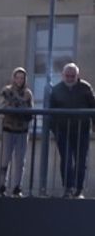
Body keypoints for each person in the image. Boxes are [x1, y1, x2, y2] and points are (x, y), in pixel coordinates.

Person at [48, 61, 95, 197]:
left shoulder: (85, 88)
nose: (69, 78)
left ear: (77, 75)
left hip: (82, 130)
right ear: (62, 75)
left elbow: (93, 107)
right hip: (63, 131)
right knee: (67, 159)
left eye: (72, 76)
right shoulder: (56, 90)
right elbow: (50, 112)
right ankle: (68, 187)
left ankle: (78, 189)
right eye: (67, 76)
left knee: (81, 161)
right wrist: (54, 129)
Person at [0, 67, 34, 196]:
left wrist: (20, 110)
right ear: (14, 78)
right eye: (17, 77)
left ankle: (17, 187)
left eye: (22, 78)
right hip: (8, 129)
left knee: (20, 161)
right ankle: (2, 185)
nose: (19, 80)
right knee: (5, 159)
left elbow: (30, 112)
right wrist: (15, 108)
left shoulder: (28, 94)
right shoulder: (7, 91)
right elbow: (2, 106)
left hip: (22, 130)